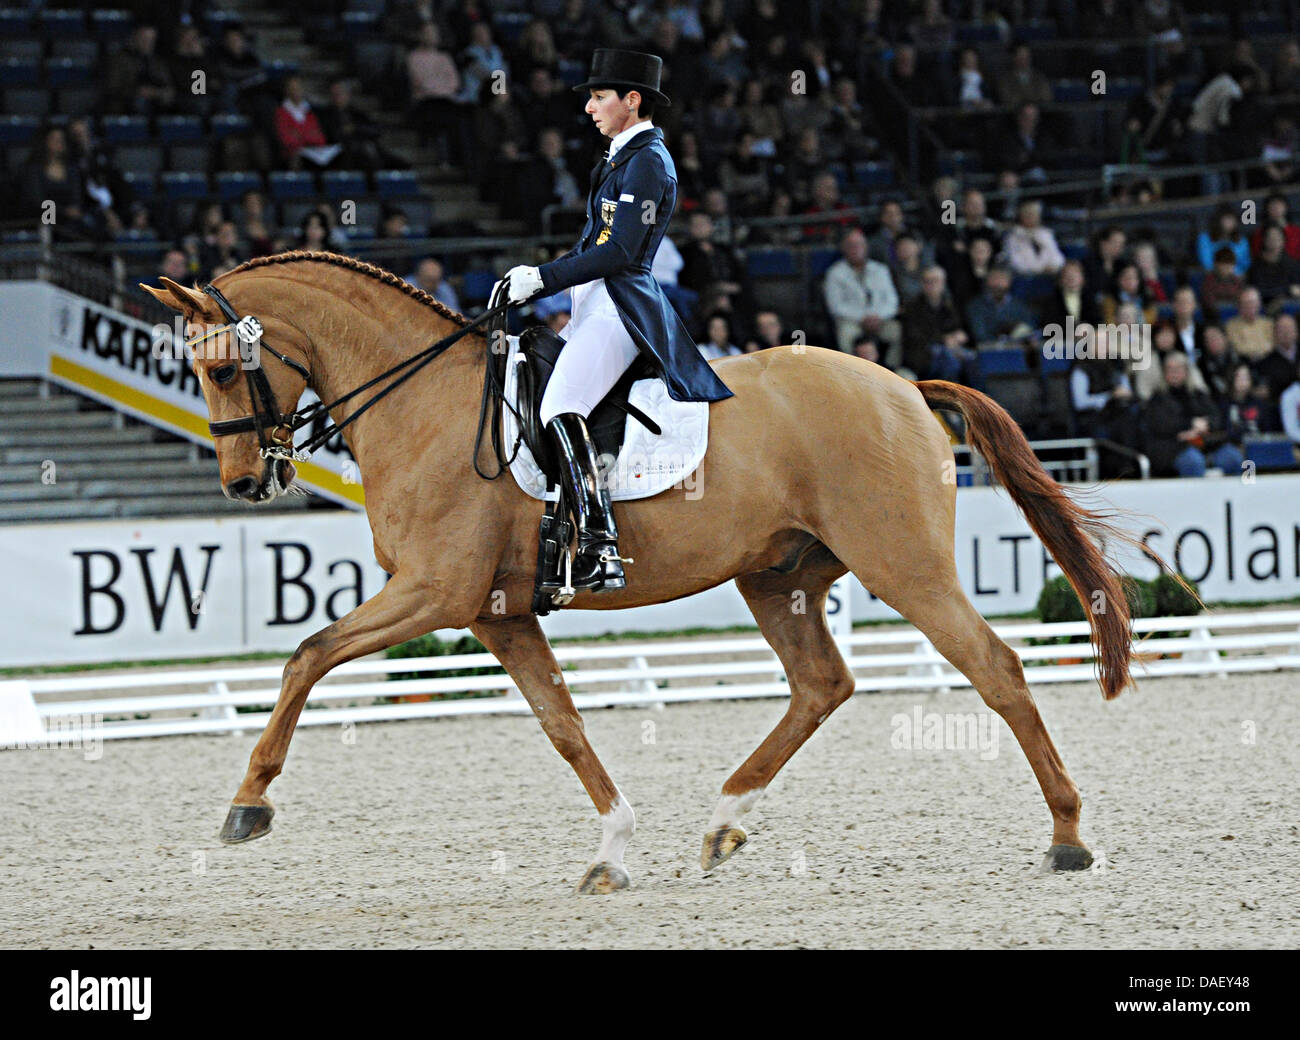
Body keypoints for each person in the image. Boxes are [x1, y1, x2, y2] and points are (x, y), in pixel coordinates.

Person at [499, 49, 733, 593]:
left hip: (622, 304)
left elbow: (622, 250)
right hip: (592, 303)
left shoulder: (649, 159)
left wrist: (543, 277)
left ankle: (600, 543)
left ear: (632, 100)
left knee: (561, 404)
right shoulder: (620, 156)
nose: (588, 108)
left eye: (599, 97)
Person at [1143, 351, 1242, 476]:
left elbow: (1216, 417)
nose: (1174, 373)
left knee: (1233, 457)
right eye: (1170, 369)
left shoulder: (1198, 394)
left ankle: (1234, 495)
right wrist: (1190, 424)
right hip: (1173, 447)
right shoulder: (1157, 398)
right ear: (1164, 373)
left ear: (1186, 371)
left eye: (1178, 368)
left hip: (1206, 443)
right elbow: (1162, 424)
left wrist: (1204, 426)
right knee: (1193, 461)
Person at [823, 227, 900, 357]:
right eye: (851, 245)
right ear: (844, 248)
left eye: (859, 244)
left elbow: (892, 300)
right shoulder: (835, 273)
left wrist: (878, 317)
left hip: (880, 319)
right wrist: (863, 318)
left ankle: (891, 369)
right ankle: (850, 373)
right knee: (845, 333)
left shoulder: (880, 269)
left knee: (897, 331)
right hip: (853, 321)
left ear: (865, 247)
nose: (856, 248)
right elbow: (835, 305)